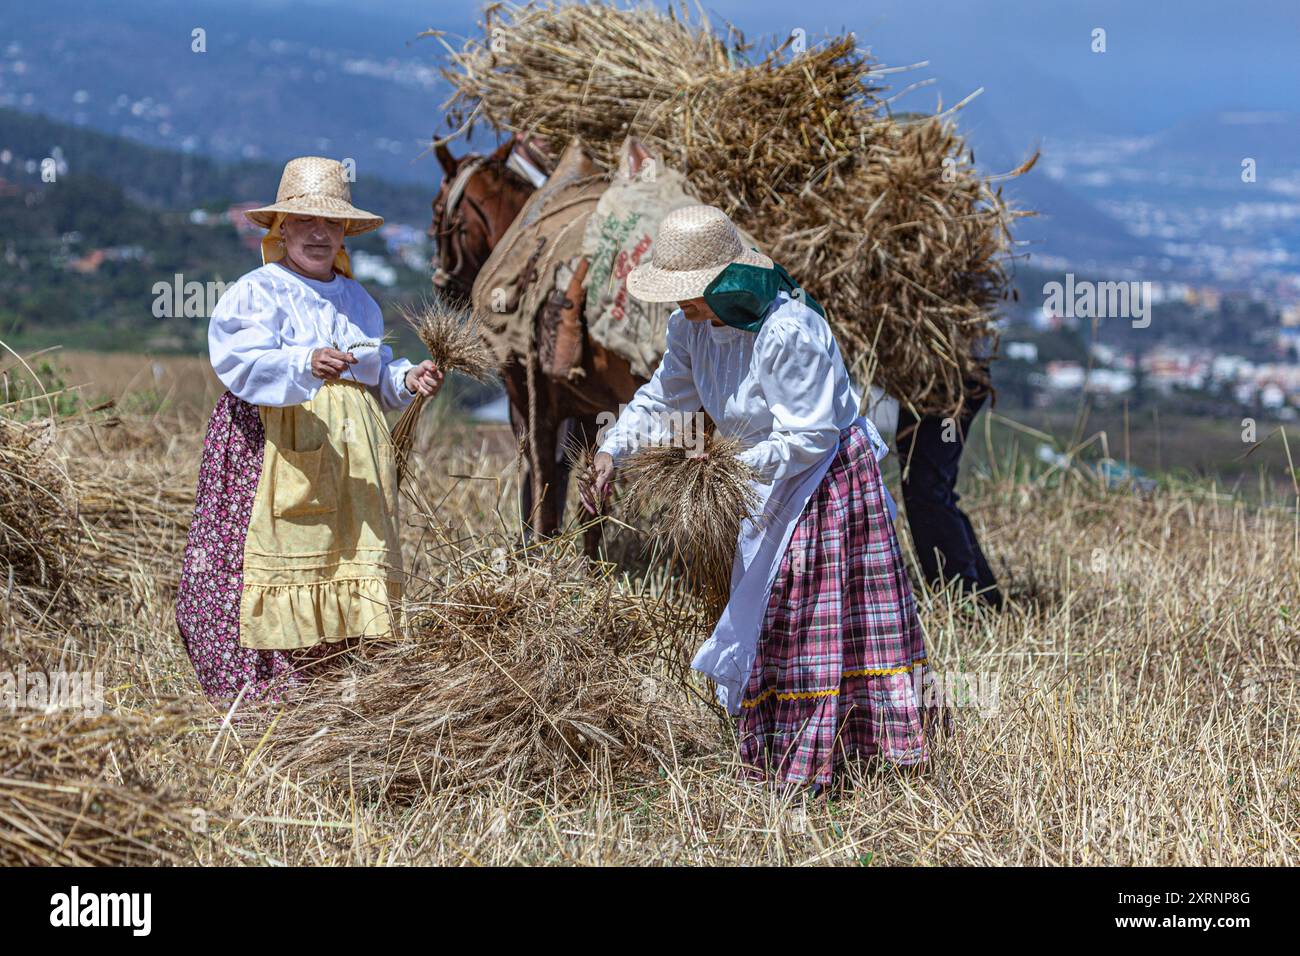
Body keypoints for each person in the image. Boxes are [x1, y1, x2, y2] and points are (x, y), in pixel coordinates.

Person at [582, 205, 946, 789]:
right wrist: (612, 449)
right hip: (761, 478)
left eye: (691, 293)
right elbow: (663, 398)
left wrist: (728, 465)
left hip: (823, 481)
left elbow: (810, 434)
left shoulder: (787, 331)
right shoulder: (691, 328)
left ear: (724, 282)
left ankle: (858, 753)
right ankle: (787, 750)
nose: (682, 305)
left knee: (806, 613)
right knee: (769, 616)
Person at [175, 156, 443, 704]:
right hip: (273, 445)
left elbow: (374, 369)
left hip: (350, 458)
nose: (320, 233)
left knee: (339, 558)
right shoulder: (258, 291)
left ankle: (337, 695)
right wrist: (303, 363)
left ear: (345, 232)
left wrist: (407, 377)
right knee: (257, 560)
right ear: (282, 227)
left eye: (332, 223)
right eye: (305, 221)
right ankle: (263, 695)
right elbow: (240, 362)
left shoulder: (357, 299)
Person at [896, 367, 1005, 609]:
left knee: (927, 486)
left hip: (949, 379)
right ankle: (980, 596)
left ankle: (967, 600)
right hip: (940, 376)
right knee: (928, 483)